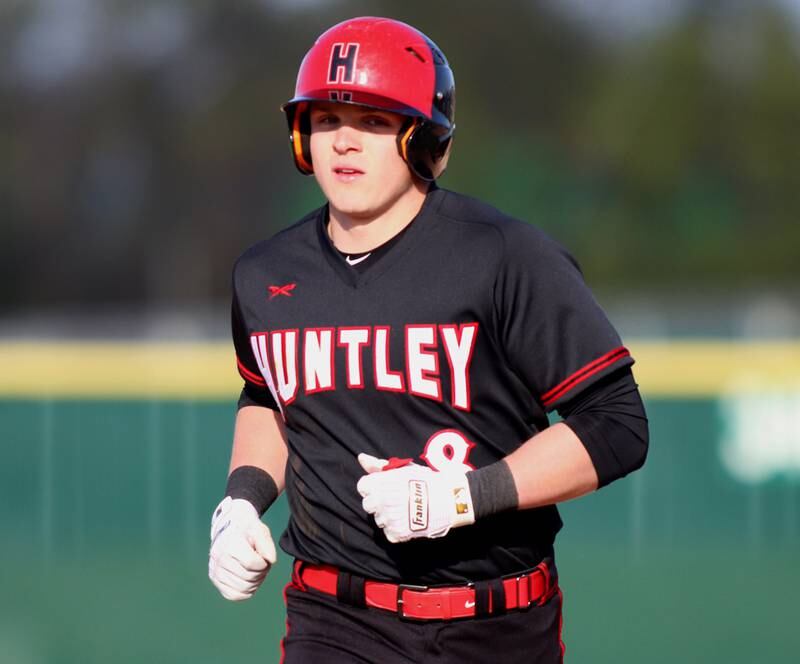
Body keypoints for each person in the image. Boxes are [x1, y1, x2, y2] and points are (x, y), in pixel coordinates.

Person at [207, 16, 648, 664]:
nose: (344, 142)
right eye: (327, 119)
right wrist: (240, 505)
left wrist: (465, 495)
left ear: (425, 138)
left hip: (494, 621)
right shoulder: (267, 274)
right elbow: (267, 398)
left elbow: (616, 425)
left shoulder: (503, 255)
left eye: (375, 122)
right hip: (335, 618)